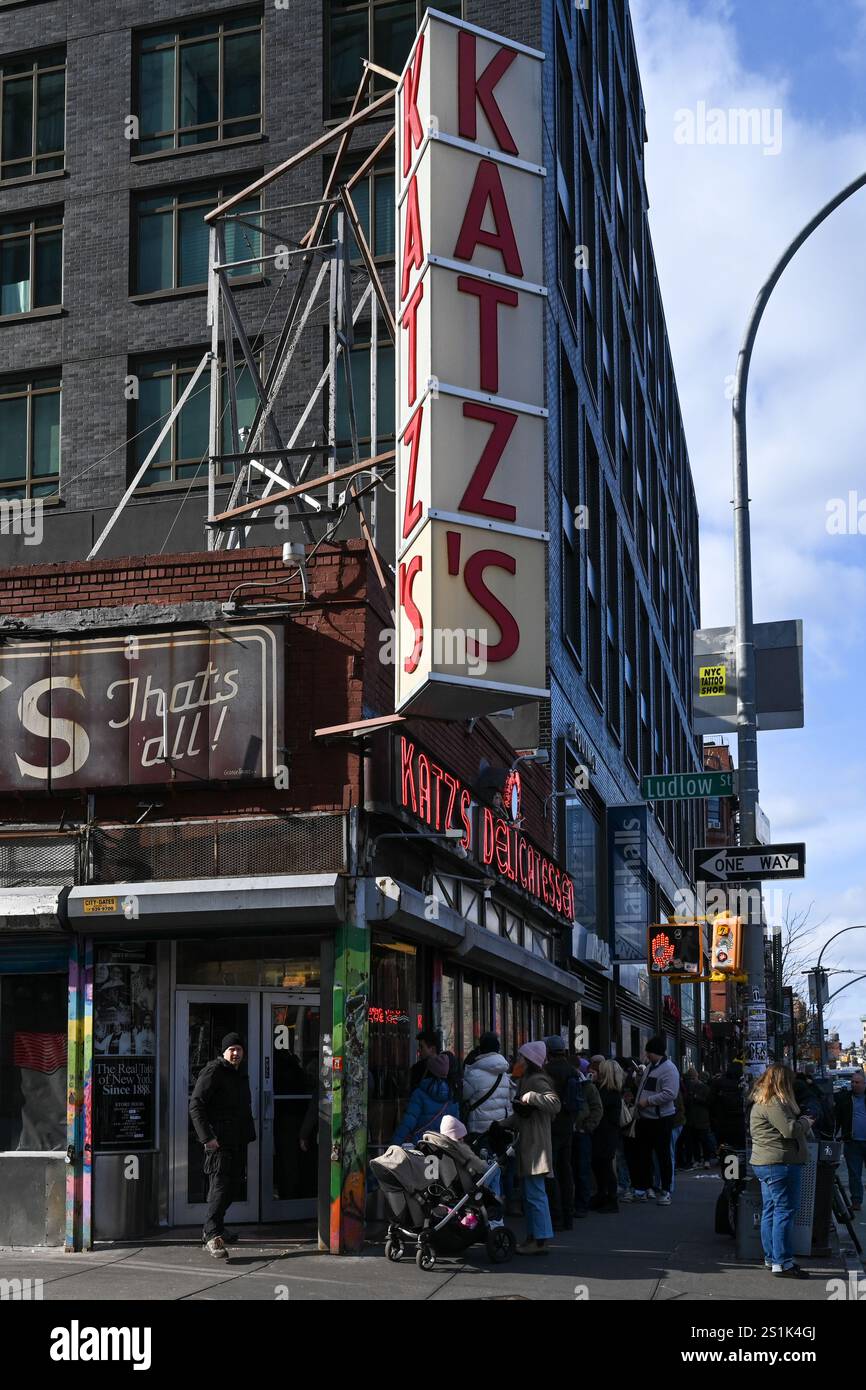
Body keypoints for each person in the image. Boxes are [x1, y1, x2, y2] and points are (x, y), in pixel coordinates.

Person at [189, 1032, 256, 1260]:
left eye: (239, 1049)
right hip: (220, 1141)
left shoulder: (238, 1073)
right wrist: (207, 1137)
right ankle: (212, 1235)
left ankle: (216, 1225)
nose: (236, 1053)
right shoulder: (214, 1071)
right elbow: (196, 1105)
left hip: (237, 1139)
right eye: (231, 1049)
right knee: (219, 1186)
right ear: (224, 1052)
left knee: (233, 1186)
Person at [749, 1063, 814, 1278]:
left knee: (771, 1210)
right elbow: (789, 1130)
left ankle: (772, 1258)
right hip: (779, 1164)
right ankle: (783, 1262)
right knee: (784, 1211)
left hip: (767, 1163)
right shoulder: (773, 1102)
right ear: (782, 1081)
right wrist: (806, 1121)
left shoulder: (762, 1100)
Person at [501, 1040, 561, 1254]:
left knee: (535, 1195)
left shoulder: (536, 1081)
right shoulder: (526, 1079)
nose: (517, 1061)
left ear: (529, 1061)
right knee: (531, 1195)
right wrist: (502, 1124)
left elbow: (555, 1103)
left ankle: (540, 1239)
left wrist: (532, 1097)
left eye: (520, 1058)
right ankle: (534, 1237)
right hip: (530, 1144)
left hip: (536, 1147)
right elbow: (522, 1116)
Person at [626, 1035, 680, 1205]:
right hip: (646, 1118)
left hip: (660, 1119)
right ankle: (643, 1188)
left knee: (662, 1155)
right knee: (643, 1154)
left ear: (655, 1052)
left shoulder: (669, 1069)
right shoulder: (651, 1066)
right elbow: (646, 1086)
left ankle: (665, 1190)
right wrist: (639, 1078)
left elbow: (670, 1093)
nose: (646, 1055)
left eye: (648, 1052)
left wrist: (647, 1101)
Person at [542, 1035, 583, 1230]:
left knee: (552, 1172)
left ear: (548, 1051)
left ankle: (556, 1215)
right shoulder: (572, 1071)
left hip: (551, 1124)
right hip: (568, 1125)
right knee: (566, 1169)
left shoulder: (547, 1071)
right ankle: (568, 1215)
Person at [391, 1053, 458, 1145]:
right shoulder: (452, 1095)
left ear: (429, 1072)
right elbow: (455, 1126)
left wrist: (394, 1144)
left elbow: (408, 1122)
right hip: (443, 1147)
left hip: (422, 1145)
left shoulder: (419, 1093)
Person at [461, 1031, 514, 1134]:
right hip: (500, 1127)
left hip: (480, 1130)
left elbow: (463, 1096)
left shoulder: (474, 1074)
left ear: (481, 1049)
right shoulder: (503, 1074)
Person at [591, 1059, 624, 1213]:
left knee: (605, 1167)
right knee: (601, 1166)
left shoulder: (608, 1092)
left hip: (605, 1134)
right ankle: (603, 1196)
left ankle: (610, 1199)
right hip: (606, 1134)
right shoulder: (612, 1091)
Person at [572, 1057, 602, 1217]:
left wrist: (587, 1127)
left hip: (581, 1133)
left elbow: (597, 1109)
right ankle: (576, 1204)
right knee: (574, 1170)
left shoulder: (588, 1087)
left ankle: (581, 1204)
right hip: (571, 1133)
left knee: (581, 1170)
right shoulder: (586, 1086)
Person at [835, 1069, 866, 1212]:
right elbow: (838, 1119)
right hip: (852, 1142)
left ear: (864, 1084)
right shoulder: (845, 1099)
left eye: (857, 1082)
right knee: (854, 1174)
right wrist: (835, 1136)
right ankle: (856, 1201)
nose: (854, 1085)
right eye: (852, 1082)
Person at [683, 1066, 715, 1168]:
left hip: (701, 1118)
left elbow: (709, 1102)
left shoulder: (704, 1088)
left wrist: (697, 1098)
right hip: (693, 1119)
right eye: (690, 1079)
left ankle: (706, 1159)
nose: (691, 1081)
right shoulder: (688, 1088)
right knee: (695, 1141)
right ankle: (698, 1159)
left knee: (703, 1140)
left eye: (693, 1078)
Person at [710, 1063, 746, 1149]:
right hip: (739, 1120)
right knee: (738, 1146)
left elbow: (710, 1100)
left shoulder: (718, 1083)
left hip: (722, 1119)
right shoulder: (742, 1084)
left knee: (725, 1147)